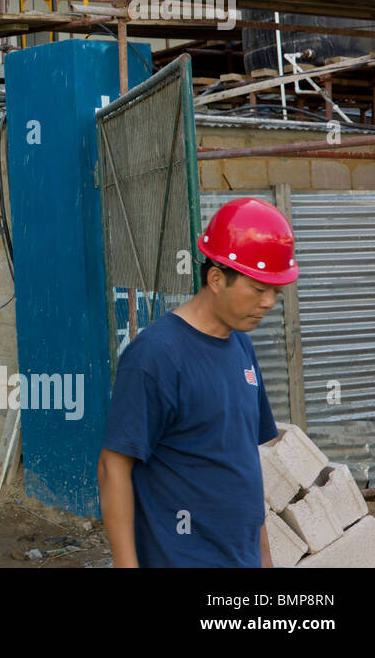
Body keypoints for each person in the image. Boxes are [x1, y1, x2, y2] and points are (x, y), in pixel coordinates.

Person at [98, 196, 297, 568]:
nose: (269, 302)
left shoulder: (241, 347)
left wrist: (264, 559)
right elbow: (113, 466)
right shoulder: (154, 357)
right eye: (258, 289)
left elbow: (243, 466)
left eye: (276, 291)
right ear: (217, 278)